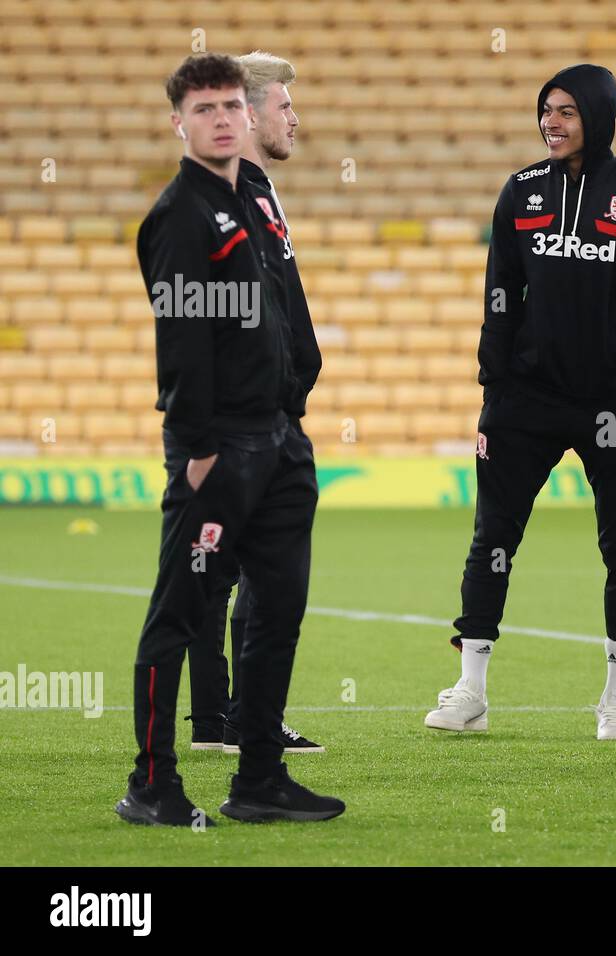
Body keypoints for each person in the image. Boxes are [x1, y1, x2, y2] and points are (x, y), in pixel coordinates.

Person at [116, 53, 342, 825]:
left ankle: (258, 781)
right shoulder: (179, 215)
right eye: (202, 108)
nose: (219, 118)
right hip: (223, 450)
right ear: (178, 120)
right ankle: (151, 784)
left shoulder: (254, 198)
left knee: (277, 610)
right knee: (178, 613)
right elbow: (181, 345)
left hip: (280, 441)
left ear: (245, 116)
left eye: (229, 107)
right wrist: (200, 447)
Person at [423, 64, 616, 740]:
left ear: (598, 114)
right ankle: (470, 690)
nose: (551, 122)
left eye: (566, 110)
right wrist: (494, 387)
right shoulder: (521, 191)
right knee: (492, 541)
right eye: (546, 110)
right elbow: (500, 296)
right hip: (525, 403)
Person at [184, 50, 324, 757]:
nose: (295, 118)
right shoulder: (232, 193)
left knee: (224, 569)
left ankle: (218, 718)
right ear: (251, 111)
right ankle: (233, 720)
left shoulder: (258, 190)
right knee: (247, 572)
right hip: (243, 418)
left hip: (265, 410)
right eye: (285, 107)